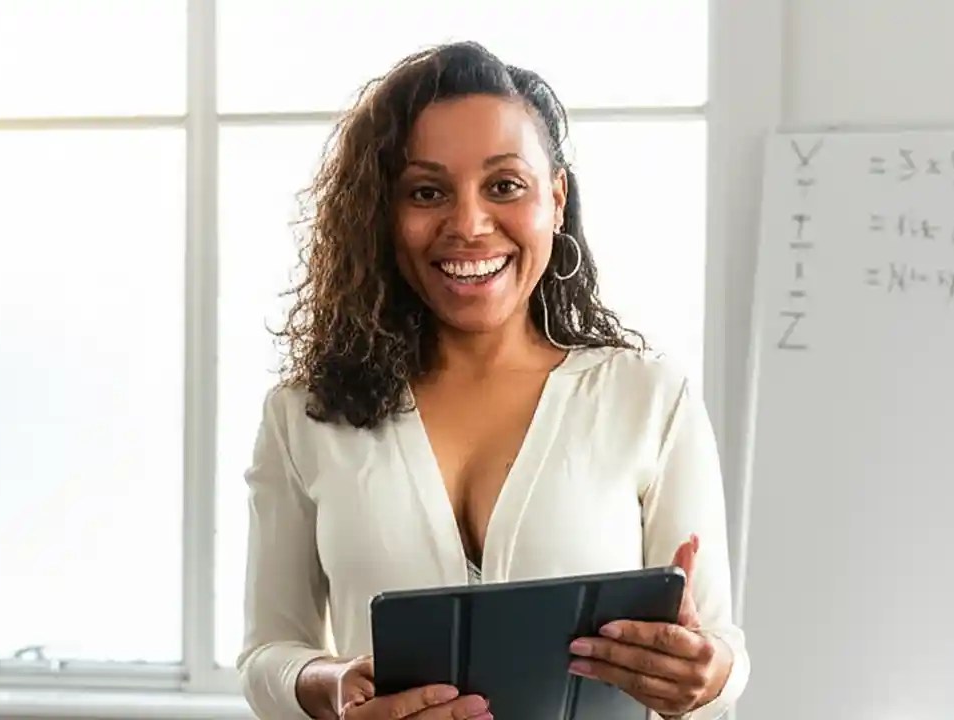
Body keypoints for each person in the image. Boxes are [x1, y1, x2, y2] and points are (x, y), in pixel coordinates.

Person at [237, 41, 749, 720]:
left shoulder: (648, 398)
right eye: (426, 192)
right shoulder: (303, 414)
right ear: (383, 216)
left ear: (556, 198)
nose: (469, 226)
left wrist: (708, 673)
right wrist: (327, 685)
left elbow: (720, 654)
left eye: (504, 185)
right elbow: (268, 653)